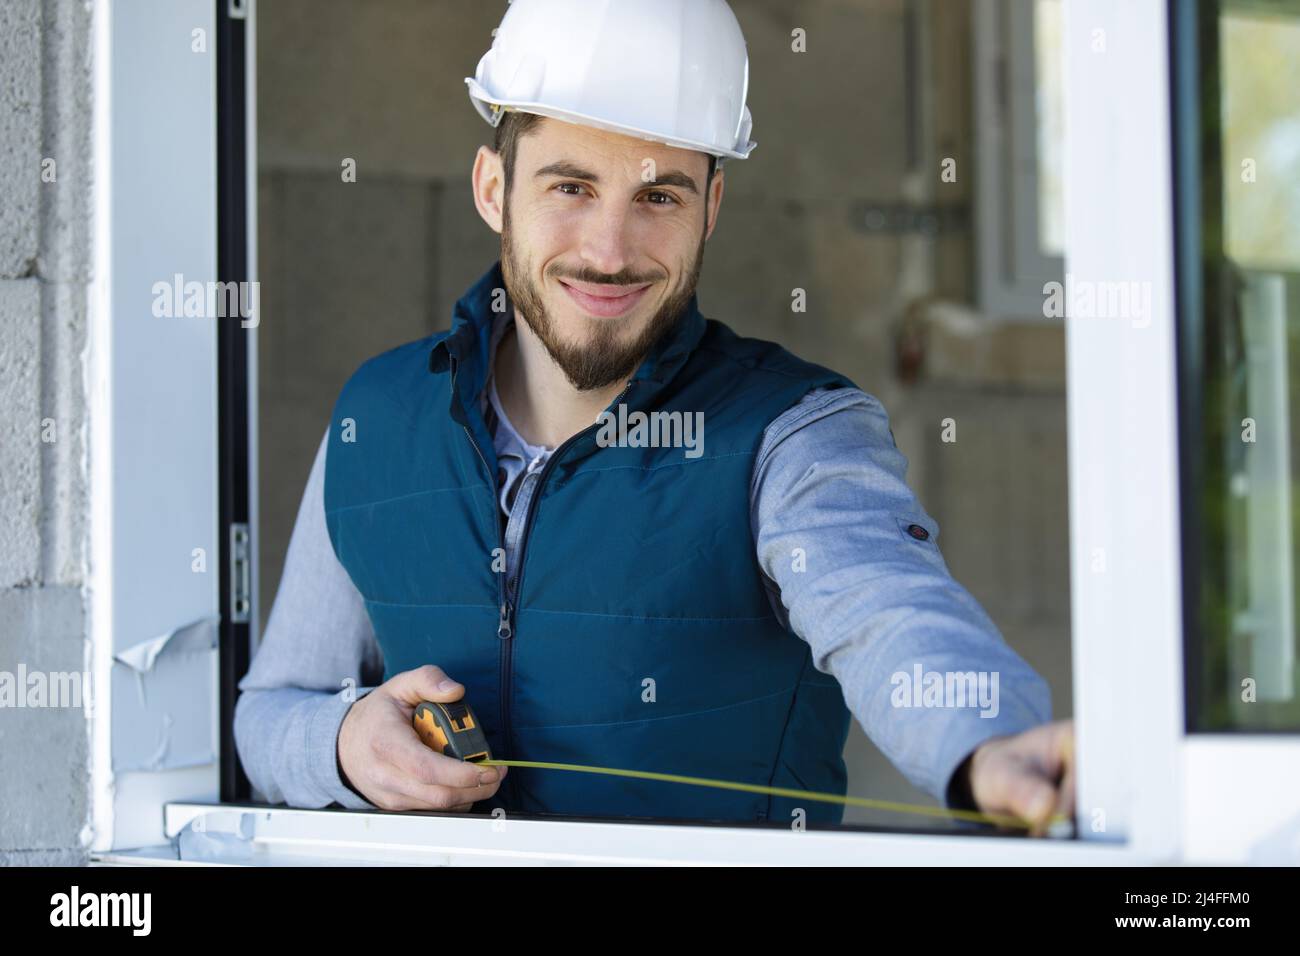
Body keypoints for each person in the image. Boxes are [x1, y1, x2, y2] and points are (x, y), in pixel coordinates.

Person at [236, 0, 1075, 834]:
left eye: (659, 197)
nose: (610, 250)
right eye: (571, 186)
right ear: (495, 190)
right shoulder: (377, 419)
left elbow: (890, 616)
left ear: (710, 209)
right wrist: (343, 743)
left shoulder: (791, 434)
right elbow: (272, 709)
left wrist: (989, 747)